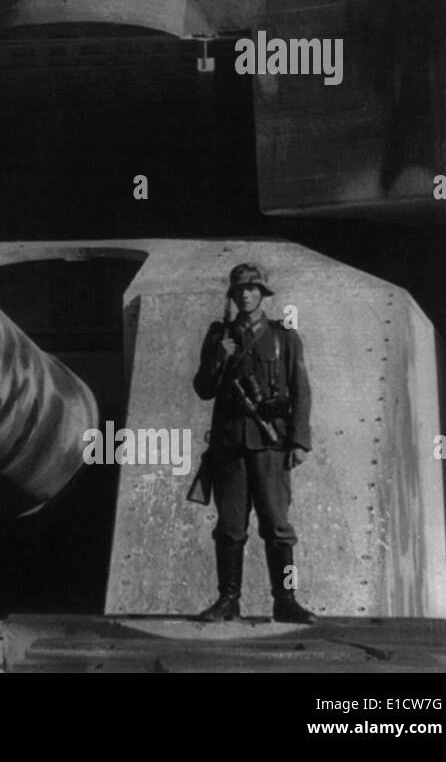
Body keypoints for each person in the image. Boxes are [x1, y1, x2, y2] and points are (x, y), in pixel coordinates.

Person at [191, 263, 317, 624]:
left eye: (252, 289)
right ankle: (228, 600)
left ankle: (286, 600)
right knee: (230, 527)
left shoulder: (284, 337)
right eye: (239, 290)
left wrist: (299, 441)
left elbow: (301, 391)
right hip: (230, 446)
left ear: (263, 294)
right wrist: (221, 355)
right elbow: (203, 389)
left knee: (278, 527)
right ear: (232, 296)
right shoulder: (219, 335)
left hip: (271, 445)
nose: (246, 295)